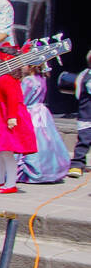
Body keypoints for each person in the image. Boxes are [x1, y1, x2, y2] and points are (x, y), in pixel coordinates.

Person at [0, 45, 37, 194]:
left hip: (4, 117)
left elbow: (13, 99)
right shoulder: (3, 78)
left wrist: (11, 117)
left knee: (6, 152)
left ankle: (10, 183)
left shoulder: (7, 79)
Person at [17, 64, 70, 184]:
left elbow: (22, 99)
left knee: (33, 140)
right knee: (46, 139)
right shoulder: (42, 77)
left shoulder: (28, 80)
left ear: (30, 66)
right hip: (41, 111)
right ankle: (50, 168)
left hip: (30, 112)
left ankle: (33, 170)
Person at [69, 50, 91, 179]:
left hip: (85, 113)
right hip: (87, 115)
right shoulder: (88, 77)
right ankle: (77, 164)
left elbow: (77, 93)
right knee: (84, 140)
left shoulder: (83, 74)